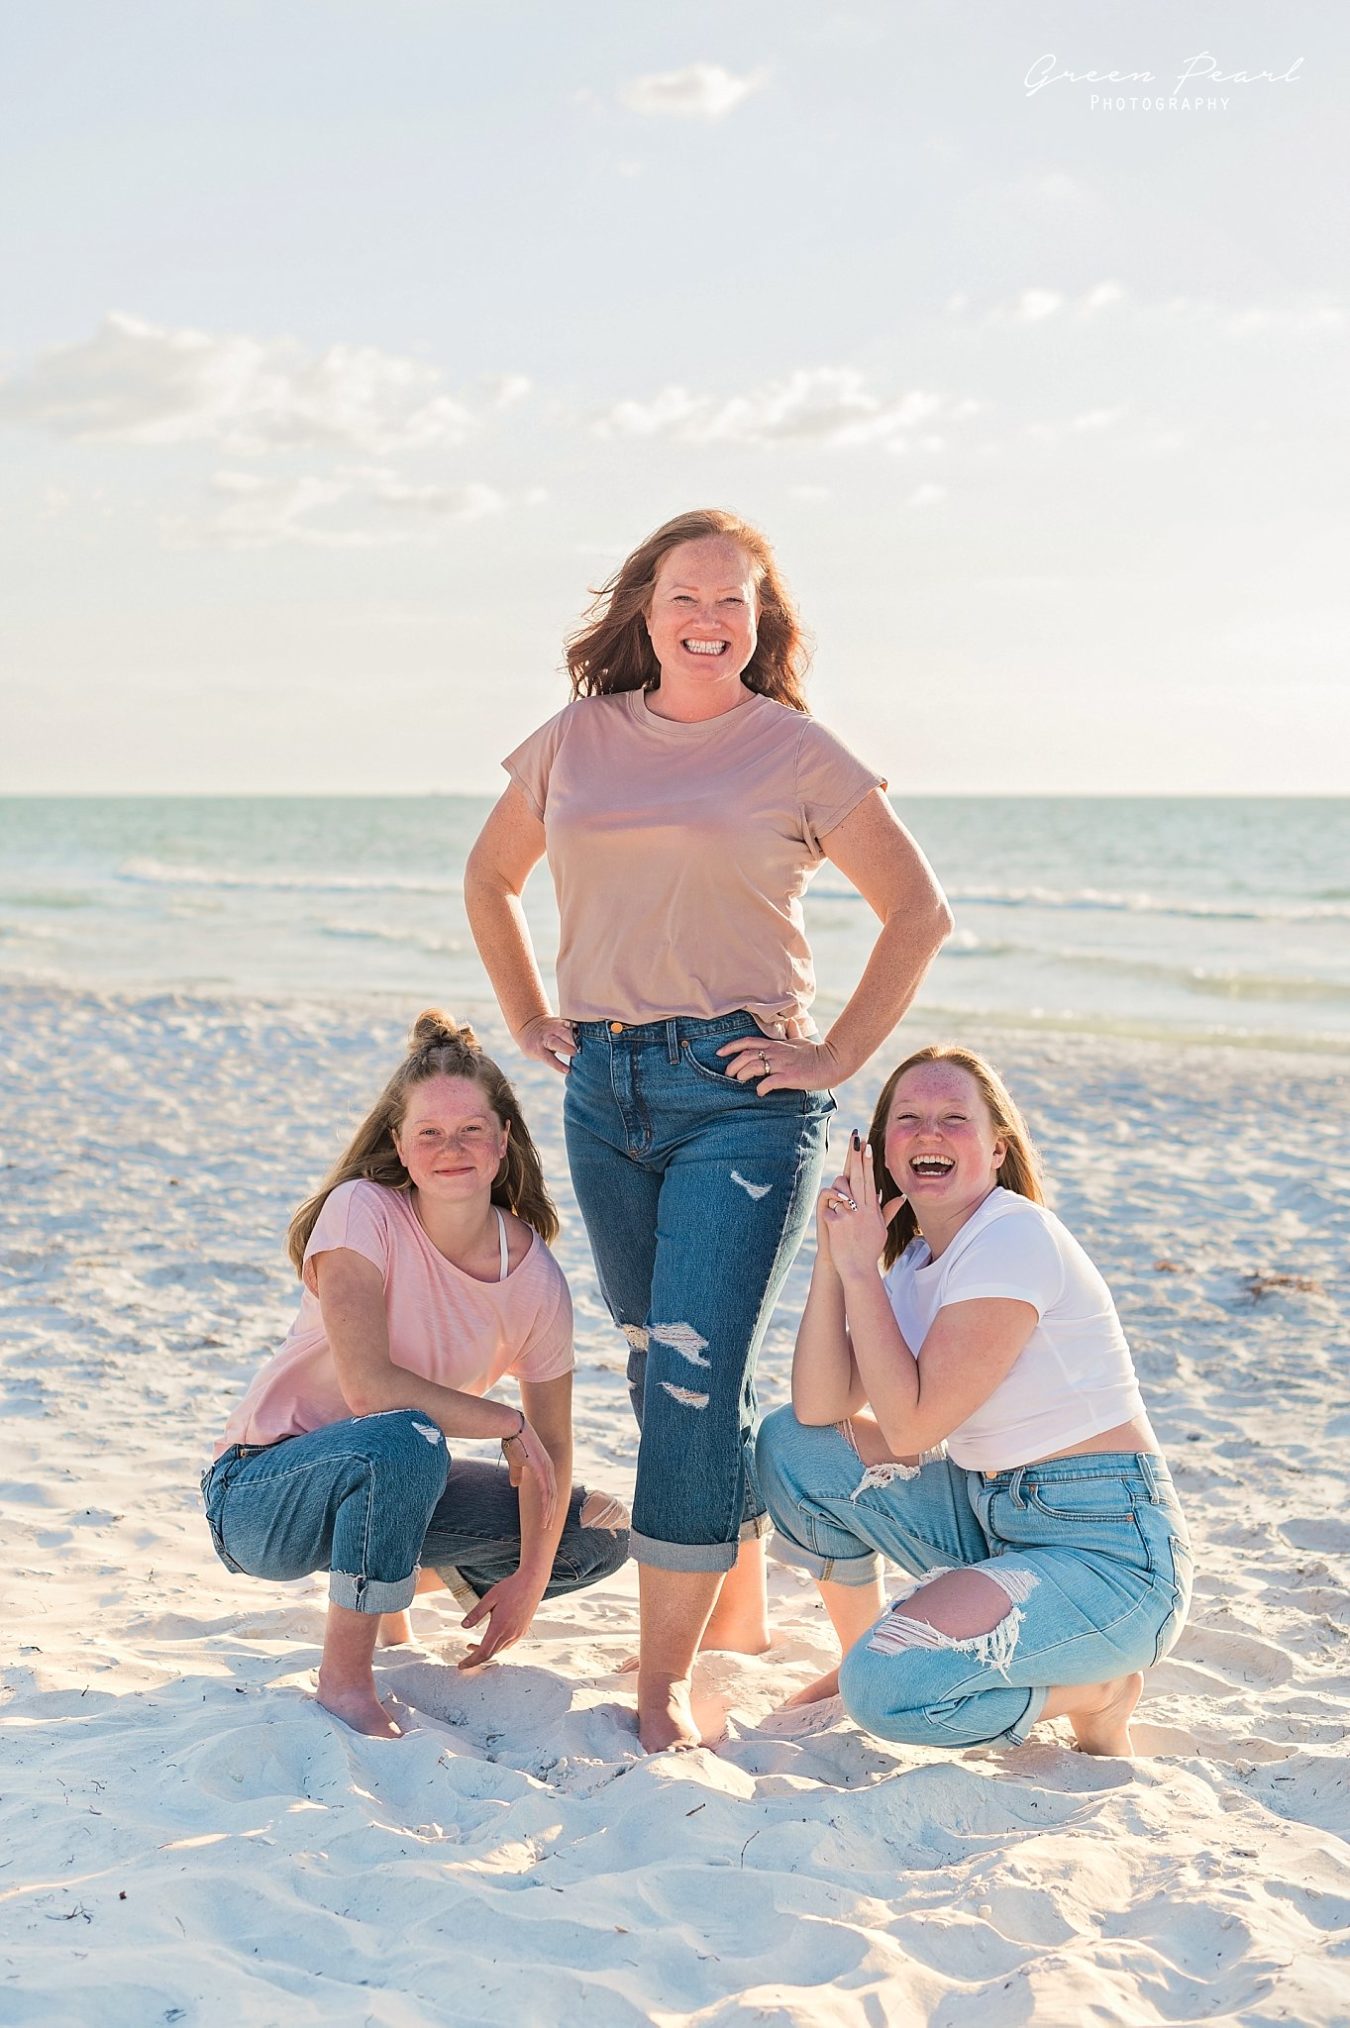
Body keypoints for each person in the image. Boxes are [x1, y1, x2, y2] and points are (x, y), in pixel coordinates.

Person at [465, 507, 952, 1751]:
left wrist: (835, 1056)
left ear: (759, 623)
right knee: (658, 1364)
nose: (709, 620)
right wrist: (528, 1012)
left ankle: (663, 1678)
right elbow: (490, 877)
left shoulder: (794, 750)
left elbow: (917, 913)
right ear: (645, 610)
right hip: (601, 1088)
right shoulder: (576, 737)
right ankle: (732, 1604)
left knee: (689, 1379)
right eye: (688, 596)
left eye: (735, 601)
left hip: (740, 1096)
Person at [200, 1011, 629, 1738]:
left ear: (502, 1141)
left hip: (400, 1473)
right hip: (262, 1494)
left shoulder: (536, 1281)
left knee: (596, 1532)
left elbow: (550, 1450)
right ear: (399, 1145)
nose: (449, 1148)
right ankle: (344, 1682)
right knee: (404, 1437)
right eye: (428, 1132)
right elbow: (370, 1389)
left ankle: (390, 1578)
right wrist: (504, 1422)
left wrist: (528, 1579)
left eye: (470, 1130)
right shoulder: (361, 1211)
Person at [755, 1044, 1192, 1757]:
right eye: (909, 1119)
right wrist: (835, 1260)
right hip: (992, 1516)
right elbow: (815, 1409)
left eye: (954, 1118)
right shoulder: (914, 1266)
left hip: (1108, 1553)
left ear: (997, 1149)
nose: (929, 1132)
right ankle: (861, 1648)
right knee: (791, 1446)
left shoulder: (1013, 1236)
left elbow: (912, 1426)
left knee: (888, 1692)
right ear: (884, 1152)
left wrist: (863, 1271)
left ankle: (1099, 1690)